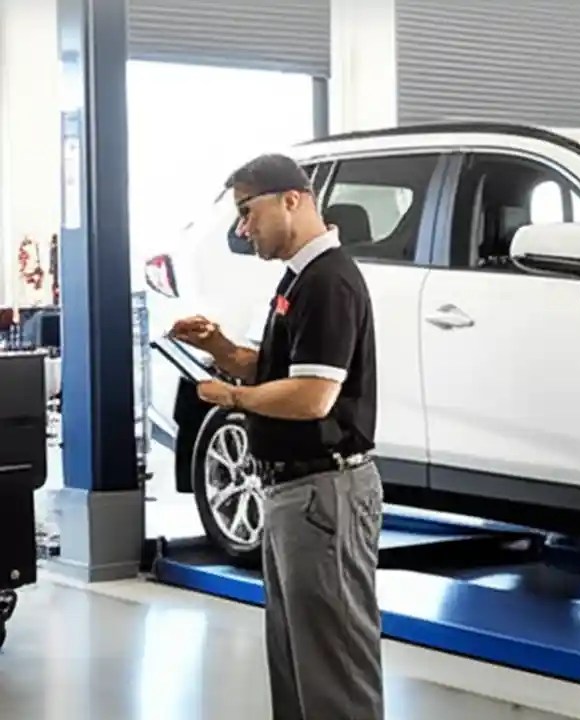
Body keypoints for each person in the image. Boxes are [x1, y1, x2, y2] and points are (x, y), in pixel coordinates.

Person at [169, 153, 383, 720]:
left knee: (334, 665)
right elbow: (281, 367)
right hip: (296, 496)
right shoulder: (299, 279)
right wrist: (219, 349)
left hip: (325, 494)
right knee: (297, 661)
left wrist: (232, 398)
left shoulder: (330, 281)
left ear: (293, 199)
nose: (243, 228)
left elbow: (313, 396)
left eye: (247, 211)